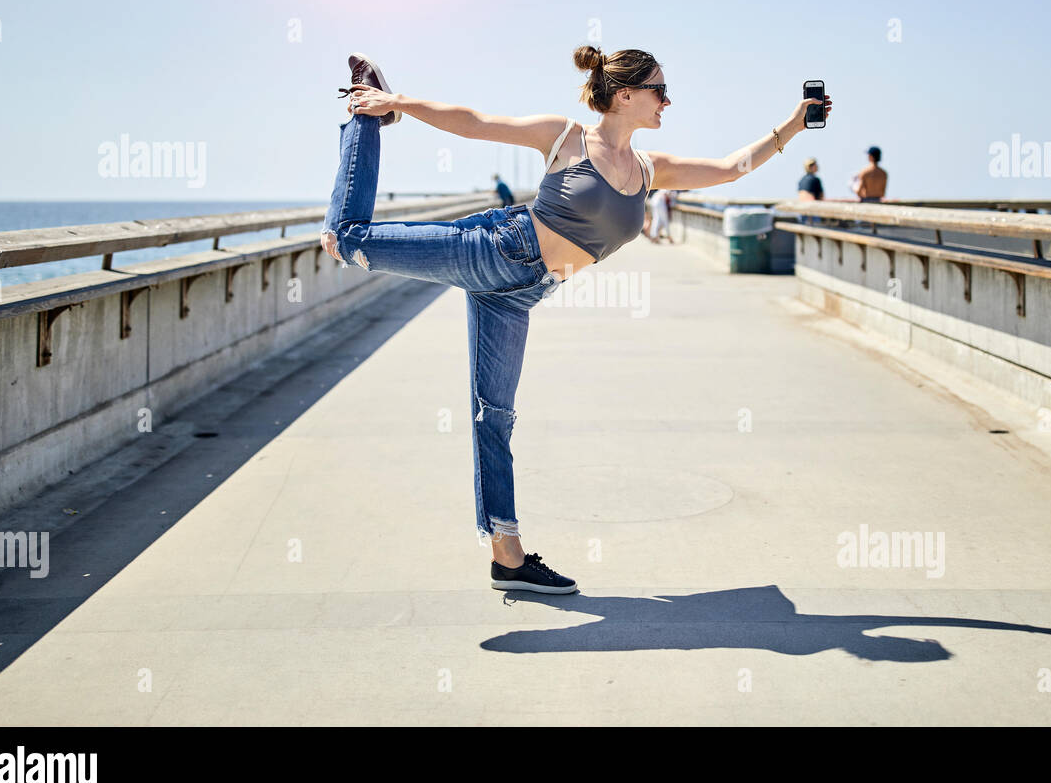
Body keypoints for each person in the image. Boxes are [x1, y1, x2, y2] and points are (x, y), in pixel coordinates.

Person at [323, 48, 831, 594]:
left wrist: (797, 124)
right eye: (659, 90)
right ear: (625, 94)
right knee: (346, 239)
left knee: (493, 416)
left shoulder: (647, 170)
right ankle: (365, 109)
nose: (667, 100)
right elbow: (472, 123)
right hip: (492, 250)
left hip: (519, 295)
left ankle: (507, 558)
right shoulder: (565, 139)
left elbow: (733, 168)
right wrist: (395, 101)